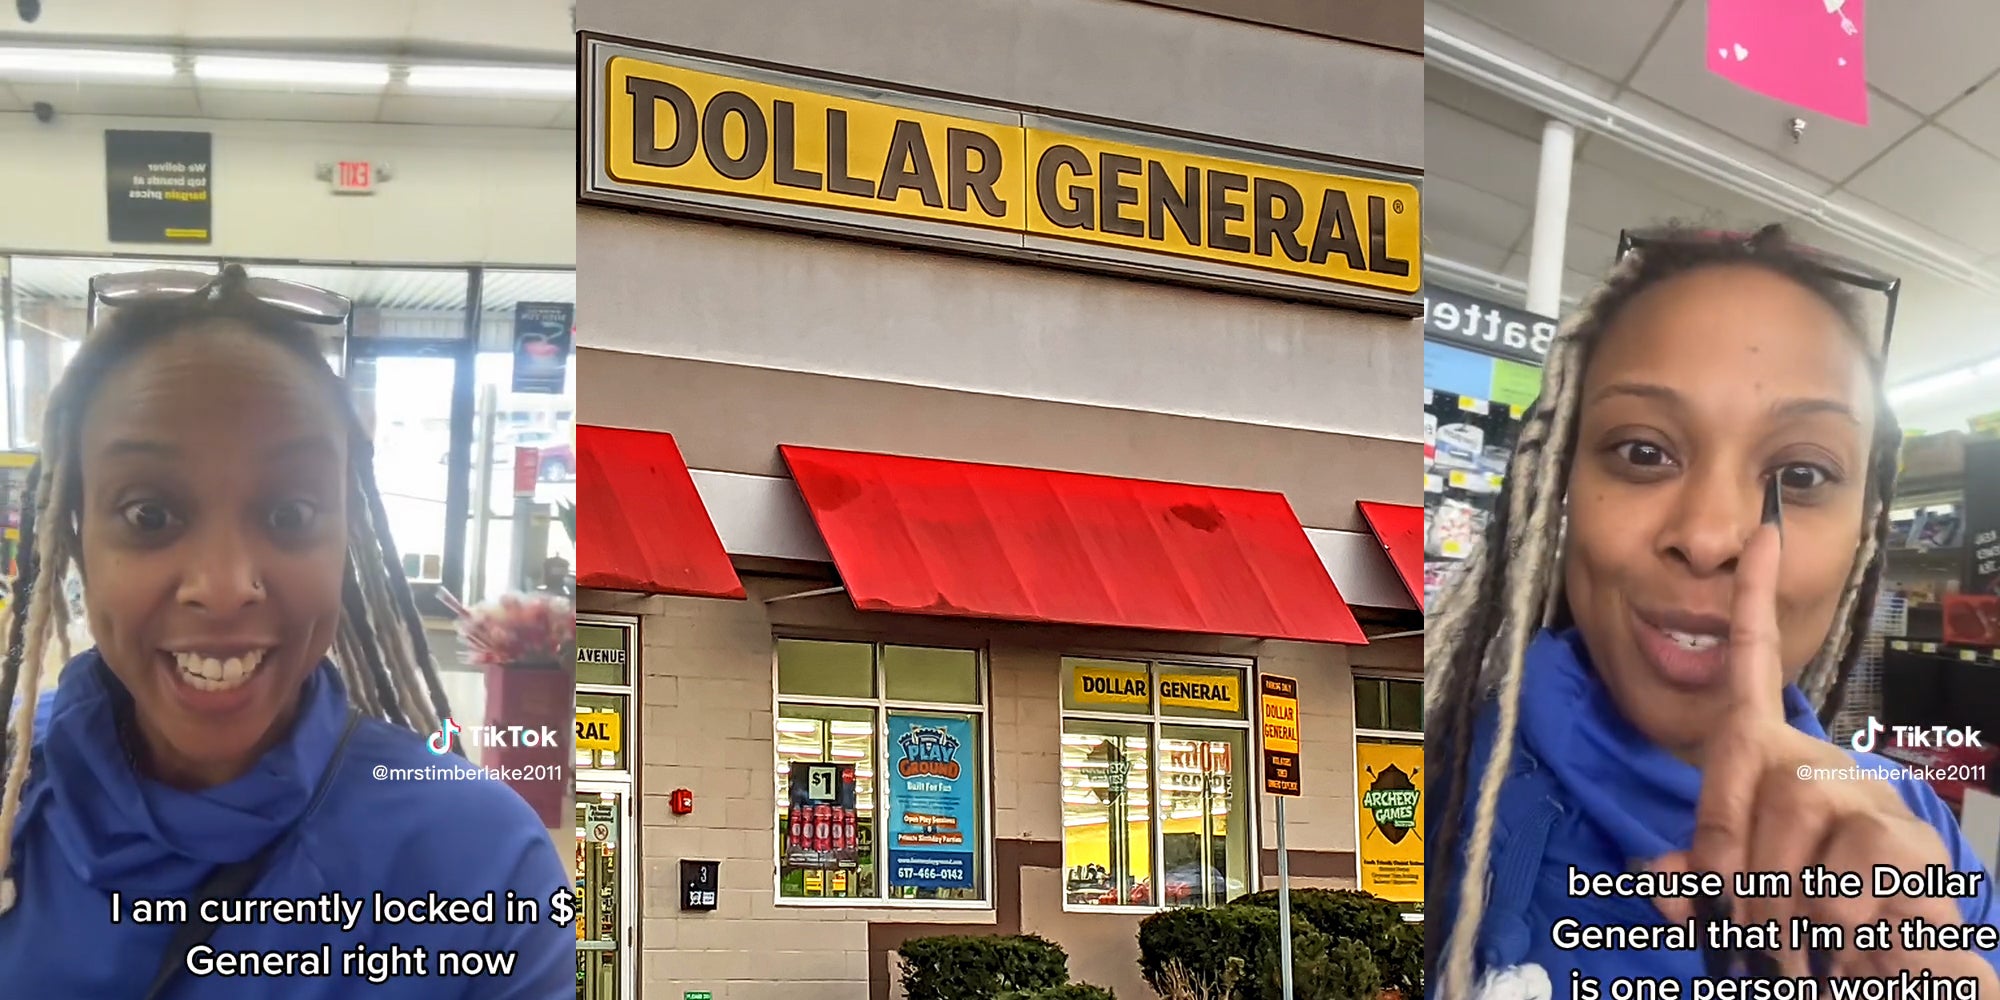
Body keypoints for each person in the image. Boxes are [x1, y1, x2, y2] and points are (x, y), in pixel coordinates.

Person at [1427, 226, 2000, 998]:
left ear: (1864, 540)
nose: (1706, 538)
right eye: (1642, 452)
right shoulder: (1434, 786)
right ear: (1561, 488)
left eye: (1800, 472)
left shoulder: (1926, 853)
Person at [0, 266, 572, 998]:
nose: (224, 584)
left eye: (290, 515)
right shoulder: (15, 800)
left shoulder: (486, 871)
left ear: (345, 544)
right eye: (150, 514)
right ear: (78, 540)